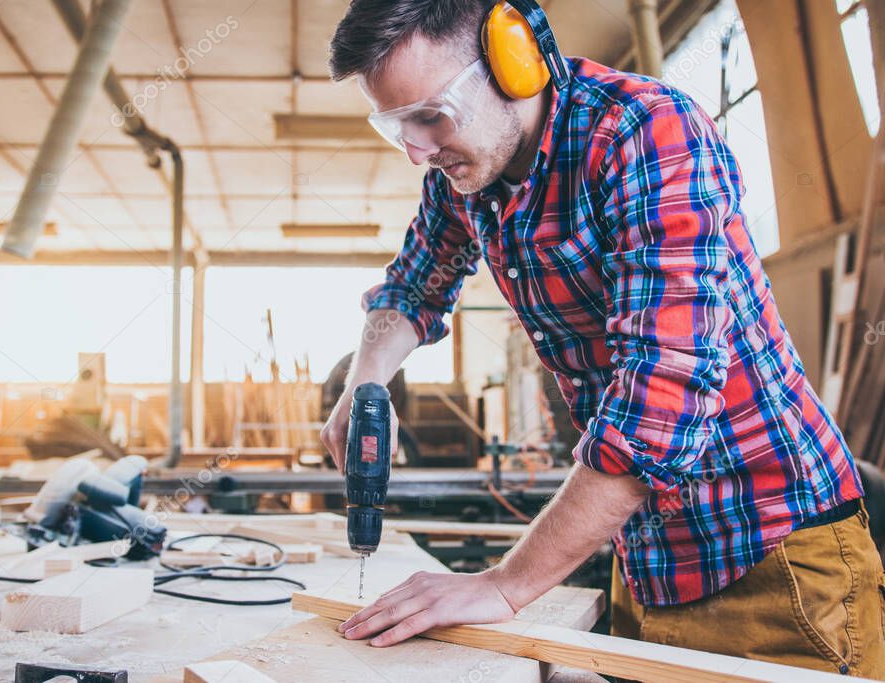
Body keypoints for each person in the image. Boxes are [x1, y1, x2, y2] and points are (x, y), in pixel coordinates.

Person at [318, 0, 884, 676]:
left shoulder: (644, 134)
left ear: (513, 59)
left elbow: (660, 407)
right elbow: (412, 286)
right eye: (395, 126)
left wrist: (505, 582)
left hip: (772, 558)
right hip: (645, 557)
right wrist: (367, 377)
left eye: (430, 116)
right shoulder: (467, 177)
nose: (416, 150)